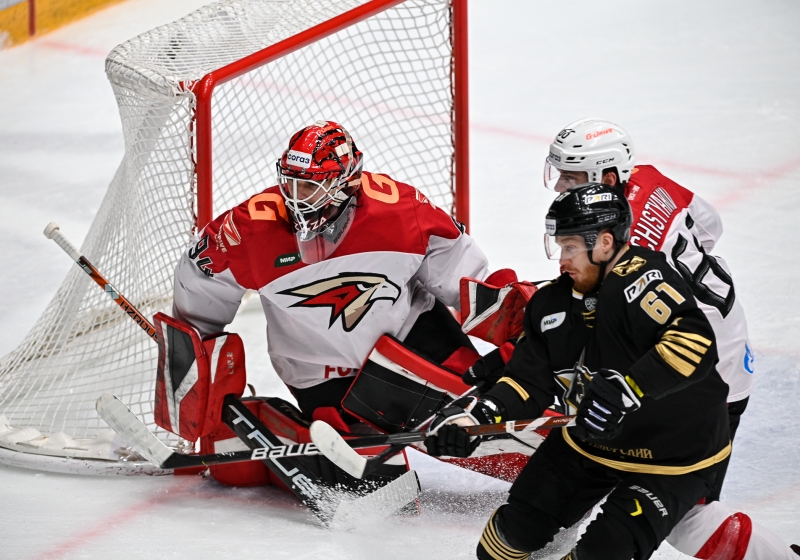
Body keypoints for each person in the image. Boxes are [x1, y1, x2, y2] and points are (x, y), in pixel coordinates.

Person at [427, 183, 738, 560]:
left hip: (672, 457)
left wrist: (630, 390)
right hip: (589, 443)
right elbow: (527, 380)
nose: (562, 260)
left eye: (571, 247)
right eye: (560, 247)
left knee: (602, 554)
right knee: (503, 544)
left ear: (605, 243)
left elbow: (694, 341)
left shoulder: (642, 280)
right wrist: (477, 416)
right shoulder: (551, 304)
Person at [541, 119, 798, 558]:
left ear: (607, 177)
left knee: (685, 512)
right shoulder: (649, 180)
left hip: (699, 374)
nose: (560, 186)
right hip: (725, 347)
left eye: (572, 176)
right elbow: (709, 225)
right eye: (559, 173)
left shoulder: (618, 248)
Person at [169, 120, 487, 425]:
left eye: (309, 186)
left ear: (347, 182)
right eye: (290, 183)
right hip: (315, 366)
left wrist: (506, 325)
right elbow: (199, 285)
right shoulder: (250, 229)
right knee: (350, 446)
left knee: (480, 395)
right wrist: (193, 354)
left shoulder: (402, 211)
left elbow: (465, 277)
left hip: (408, 333)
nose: (296, 197)